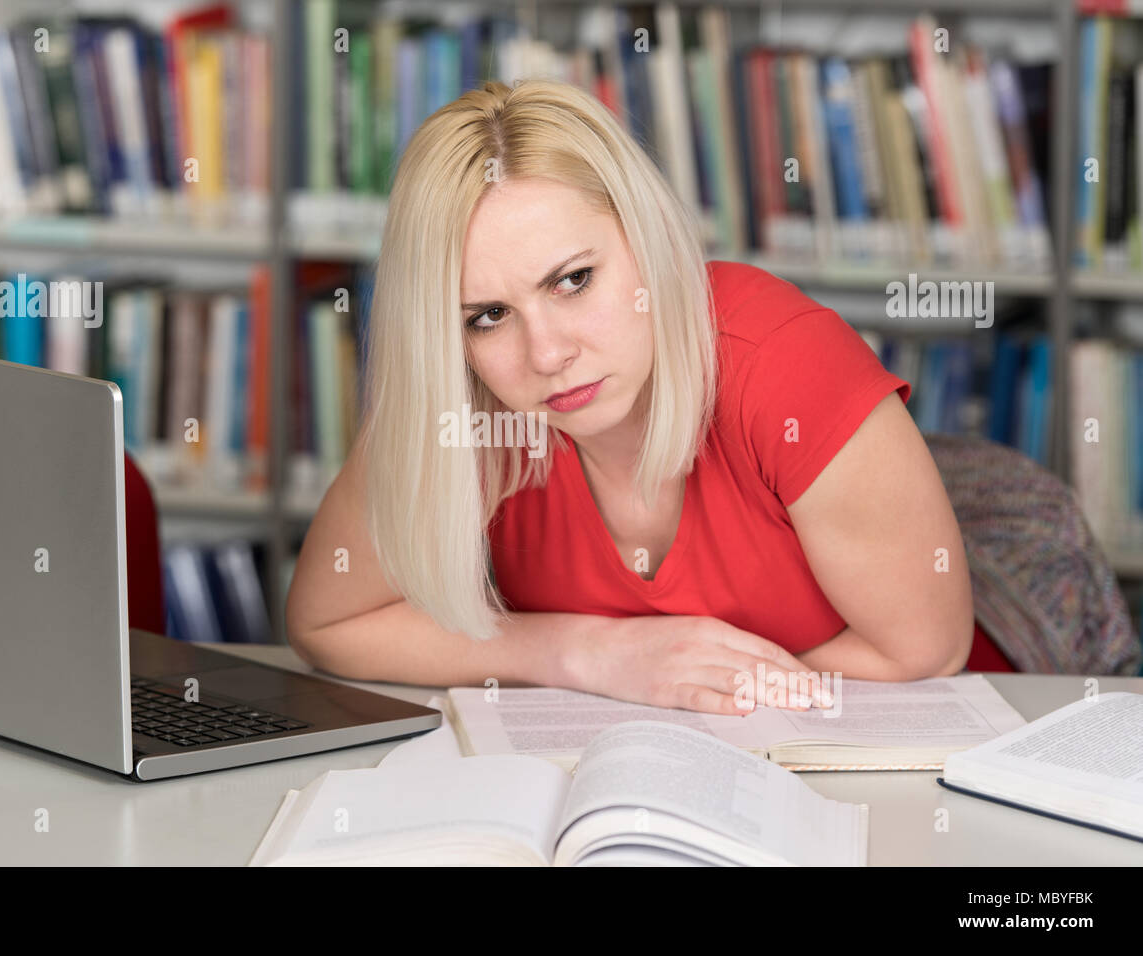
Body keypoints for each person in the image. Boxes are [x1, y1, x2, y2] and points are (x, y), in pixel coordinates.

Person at [285, 79, 974, 715]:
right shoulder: (462, 399)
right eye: (487, 316)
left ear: (646, 240)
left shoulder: (783, 364)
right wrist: (589, 655)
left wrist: (695, 679)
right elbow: (328, 622)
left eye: (574, 280)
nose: (548, 355)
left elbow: (924, 651)